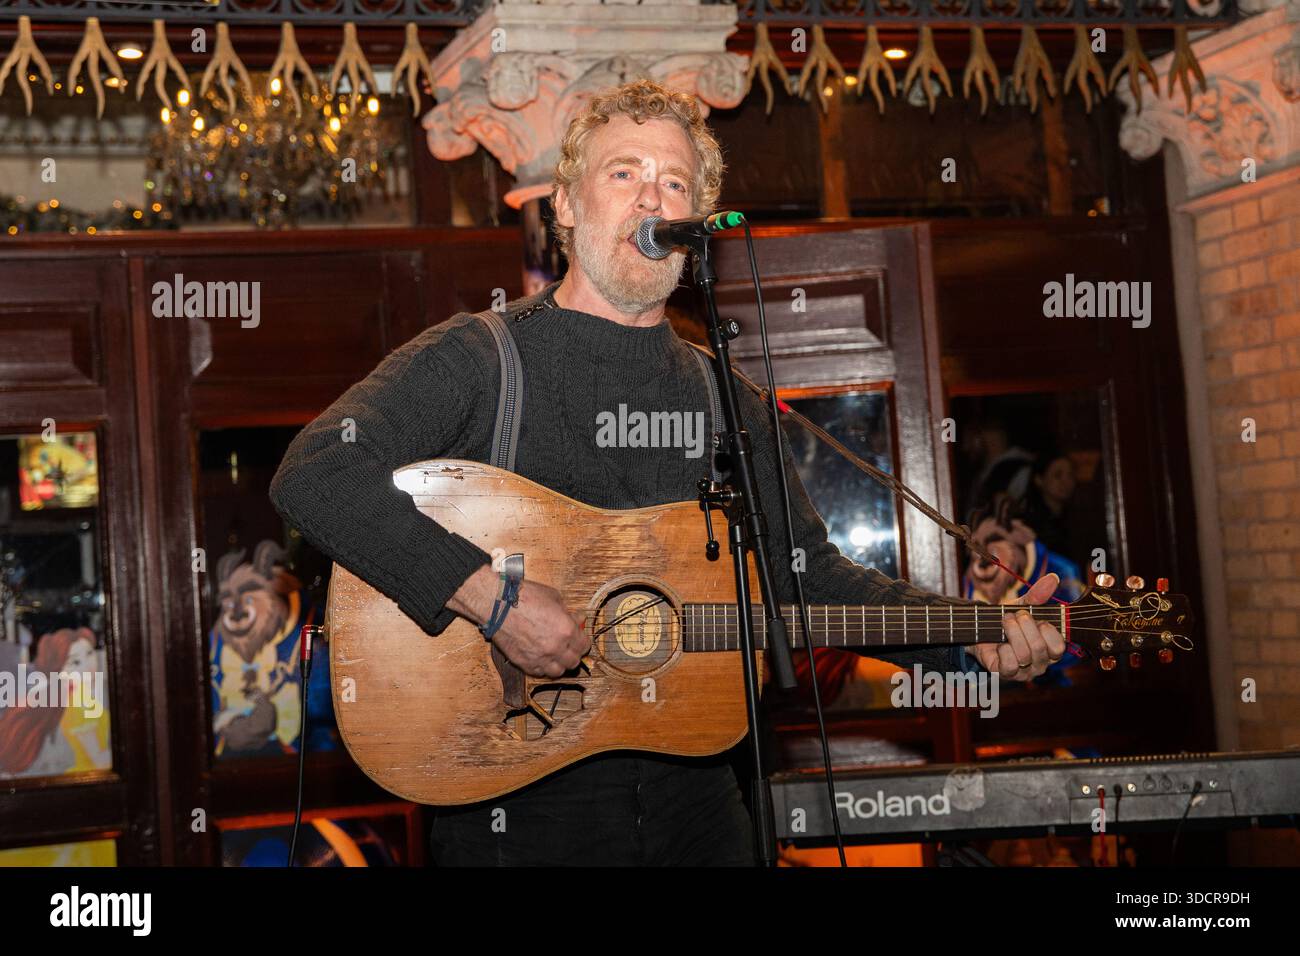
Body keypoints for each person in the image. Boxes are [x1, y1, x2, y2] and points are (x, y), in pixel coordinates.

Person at [268, 79, 1066, 866]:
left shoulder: (728, 398)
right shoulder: (484, 358)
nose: (653, 197)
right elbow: (315, 472)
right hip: (514, 812)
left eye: (674, 182)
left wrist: (970, 640)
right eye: (624, 174)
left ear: (693, 222)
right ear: (568, 206)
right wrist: (493, 598)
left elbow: (809, 579)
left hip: (705, 811)